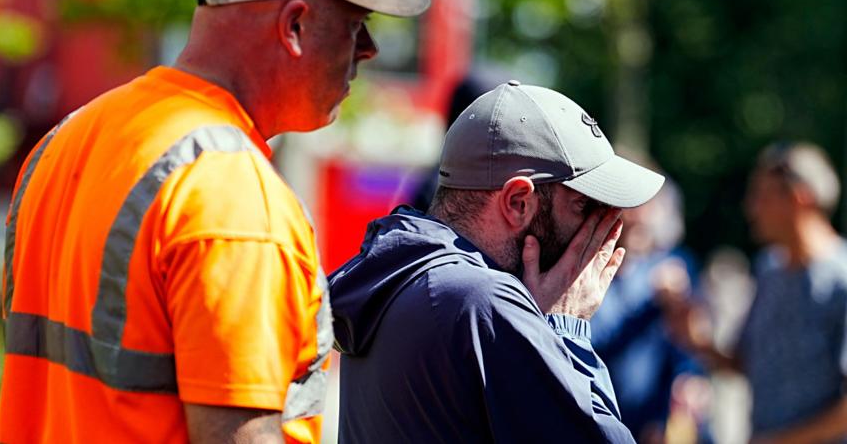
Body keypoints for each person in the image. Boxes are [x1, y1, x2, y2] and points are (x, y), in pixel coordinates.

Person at [0, 0, 429, 442]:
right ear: (295, 25)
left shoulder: (68, 139)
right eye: (355, 24)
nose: (368, 50)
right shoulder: (233, 196)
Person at [330, 81, 665, 443]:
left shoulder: (401, 275)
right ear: (518, 202)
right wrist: (567, 330)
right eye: (584, 205)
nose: (600, 226)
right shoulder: (482, 300)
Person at [667, 143, 847, 443]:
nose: (751, 208)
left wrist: (780, 441)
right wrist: (699, 340)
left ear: (799, 197)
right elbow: (746, 363)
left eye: (762, 195)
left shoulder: (841, 281)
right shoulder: (768, 270)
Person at [590, 177, 710, 443]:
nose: (640, 214)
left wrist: (684, 386)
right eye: (633, 205)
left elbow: (689, 349)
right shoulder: (588, 271)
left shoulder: (673, 265)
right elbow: (588, 343)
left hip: (655, 427)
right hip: (600, 422)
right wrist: (650, 306)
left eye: (647, 205)